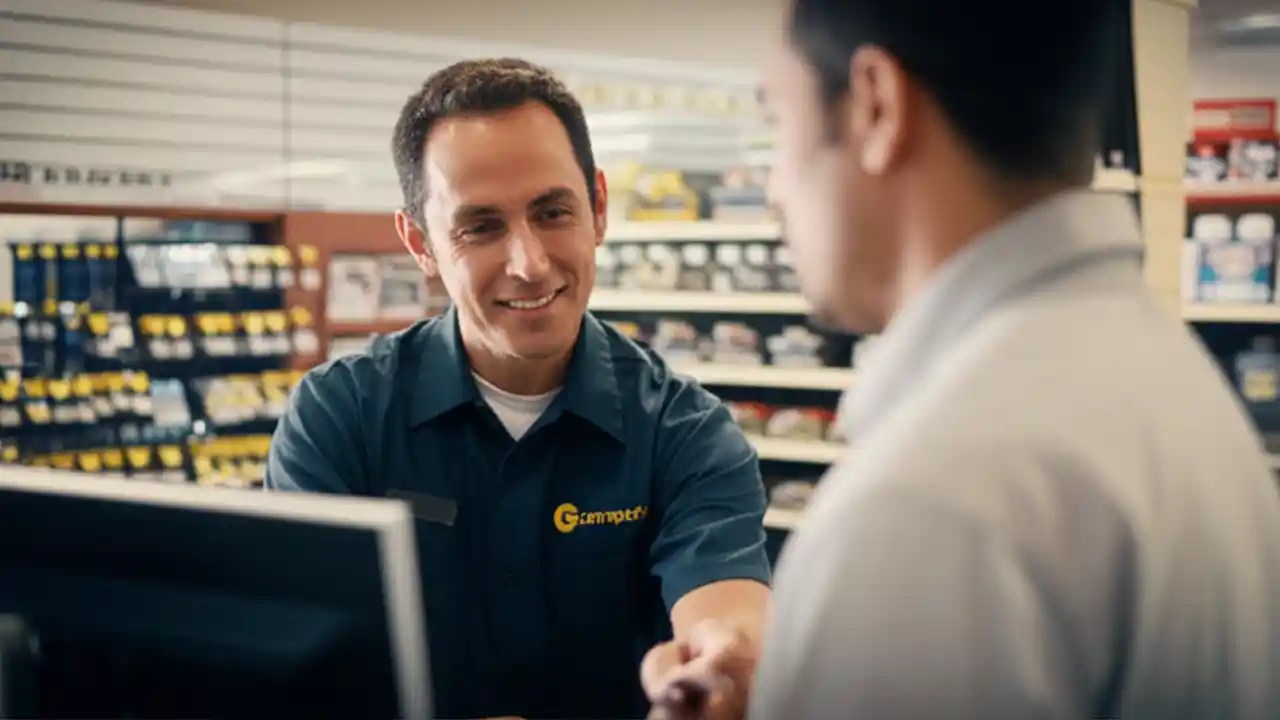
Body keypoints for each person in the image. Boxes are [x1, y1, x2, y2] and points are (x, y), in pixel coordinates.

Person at [740, 0, 1280, 718]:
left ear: (877, 106)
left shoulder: (934, 498)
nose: (774, 186)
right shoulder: (1164, 375)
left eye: (778, 122)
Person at [265, 59, 771, 720]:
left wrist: (721, 670)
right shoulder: (340, 417)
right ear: (419, 241)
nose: (528, 265)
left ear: (598, 208)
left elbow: (724, 621)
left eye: (552, 211)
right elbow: (302, 669)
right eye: (481, 227)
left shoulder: (687, 432)